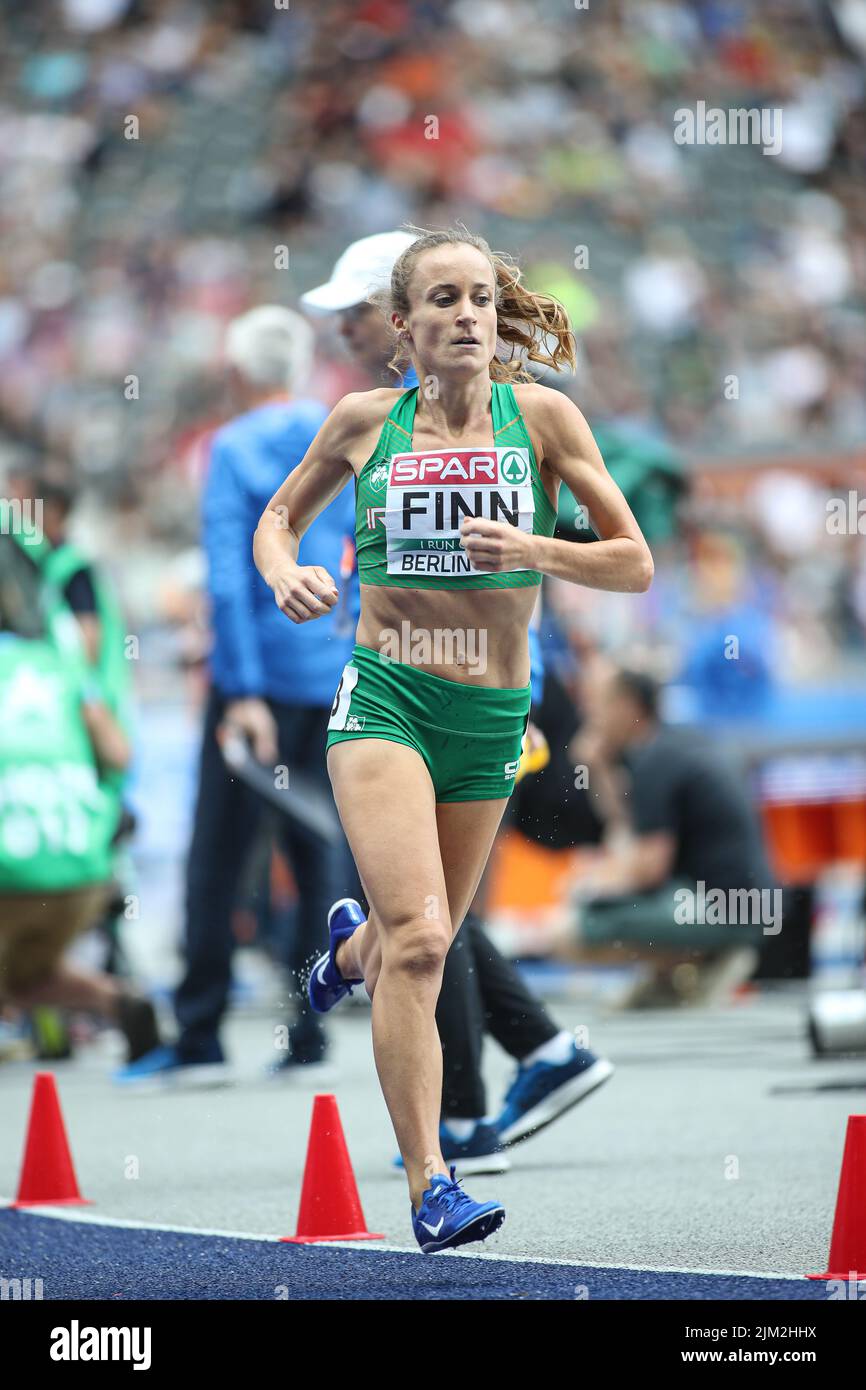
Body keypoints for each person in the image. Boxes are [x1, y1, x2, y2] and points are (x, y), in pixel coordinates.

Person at [255, 225, 652, 1251]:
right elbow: (277, 519)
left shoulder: (546, 419)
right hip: (385, 698)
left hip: (490, 719)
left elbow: (632, 561)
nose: (465, 314)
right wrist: (283, 571)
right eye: (440, 300)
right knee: (425, 943)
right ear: (403, 326)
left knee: (403, 938)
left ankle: (344, 955)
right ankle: (433, 1182)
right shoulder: (361, 422)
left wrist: (530, 548)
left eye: (479, 297)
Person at [118, 305, 357, 1084]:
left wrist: (243, 689)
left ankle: (201, 1036)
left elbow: (231, 573)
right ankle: (308, 1028)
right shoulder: (337, 428)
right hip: (328, 669)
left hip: (253, 676)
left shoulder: (232, 446)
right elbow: (358, 556)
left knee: (219, 857)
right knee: (317, 848)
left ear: (239, 371)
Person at [0, 532, 158, 1062]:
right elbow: (118, 753)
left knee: (17, 972)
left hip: (10, 870)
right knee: (27, 973)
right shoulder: (61, 658)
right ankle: (117, 1002)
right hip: (81, 875)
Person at [570, 665, 775, 1006]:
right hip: (748, 904)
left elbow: (648, 869)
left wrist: (592, 888)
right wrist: (599, 767)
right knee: (601, 903)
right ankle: (678, 974)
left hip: (724, 909)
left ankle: (702, 961)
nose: (591, 716)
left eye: (598, 705)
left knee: (576, 928)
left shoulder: (656, 759)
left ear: (627, 707)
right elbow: (627, 825)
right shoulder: (673, 744)